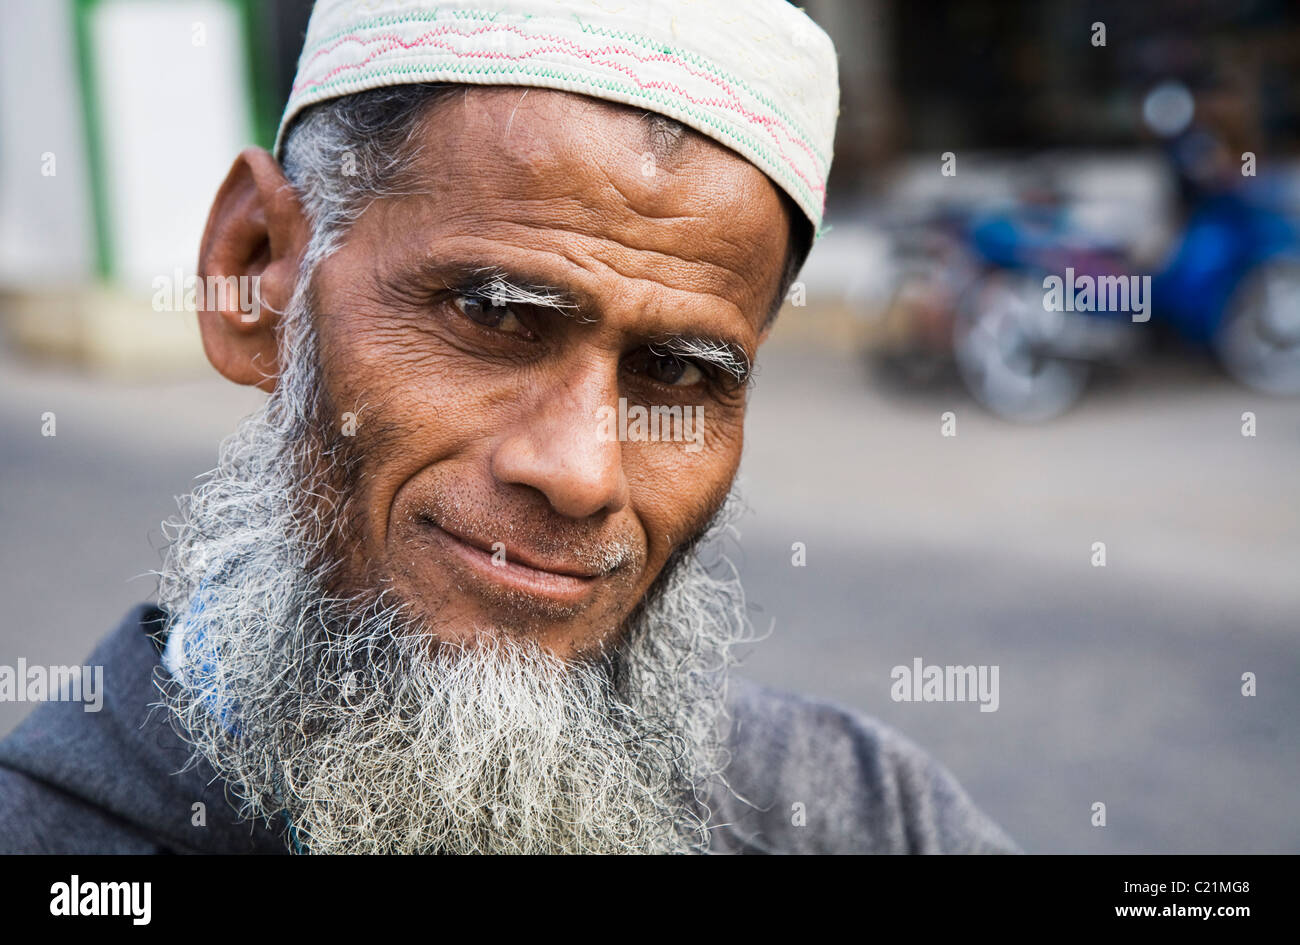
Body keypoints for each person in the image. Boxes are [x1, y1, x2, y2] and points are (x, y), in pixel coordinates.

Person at [0, 0, 1017, 855]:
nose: (578, 473)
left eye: (678, 371)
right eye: (491, 314)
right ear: (257, 272)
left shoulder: (865, 822)